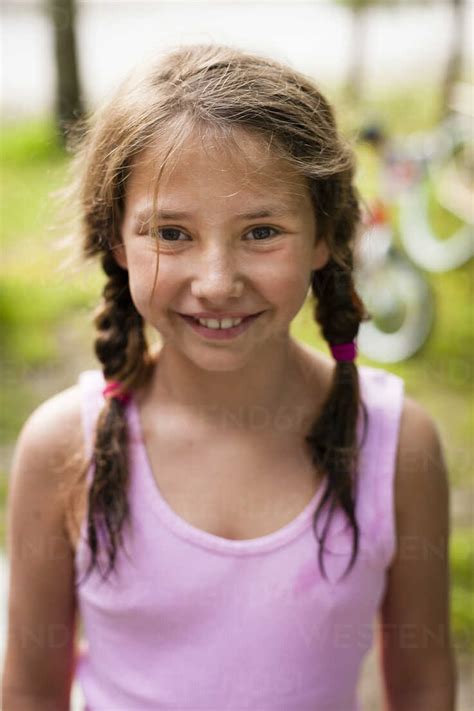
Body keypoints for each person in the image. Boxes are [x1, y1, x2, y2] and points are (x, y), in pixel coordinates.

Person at [2, 44, 456, 710]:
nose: (217, 282)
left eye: (262, 230)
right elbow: (28, 692)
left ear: (324, 233)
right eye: (172, 233)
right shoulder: (61, 448)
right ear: (118, 239)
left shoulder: (397, 446)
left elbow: (422, 686)